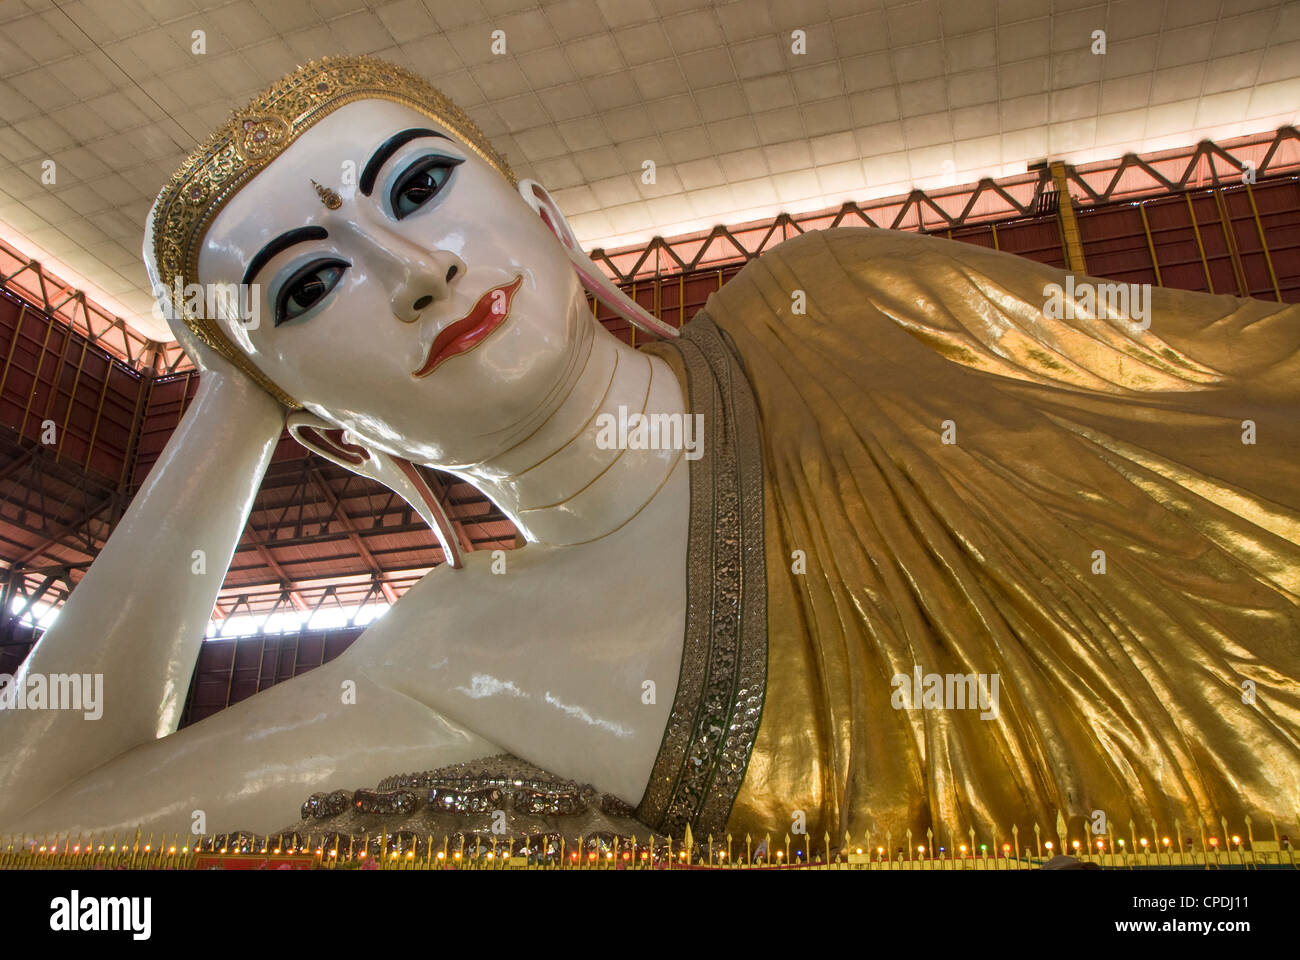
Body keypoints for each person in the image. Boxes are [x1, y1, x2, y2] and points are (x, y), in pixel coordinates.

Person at [2, 56, 1297, 849]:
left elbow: (1232, 390)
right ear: (331, 432)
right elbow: (33, 832)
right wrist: (233, 393)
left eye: (418, 188)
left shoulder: (838, 302)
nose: (417, 270)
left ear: (548, 220)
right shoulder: (454, 652)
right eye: (308, 286)